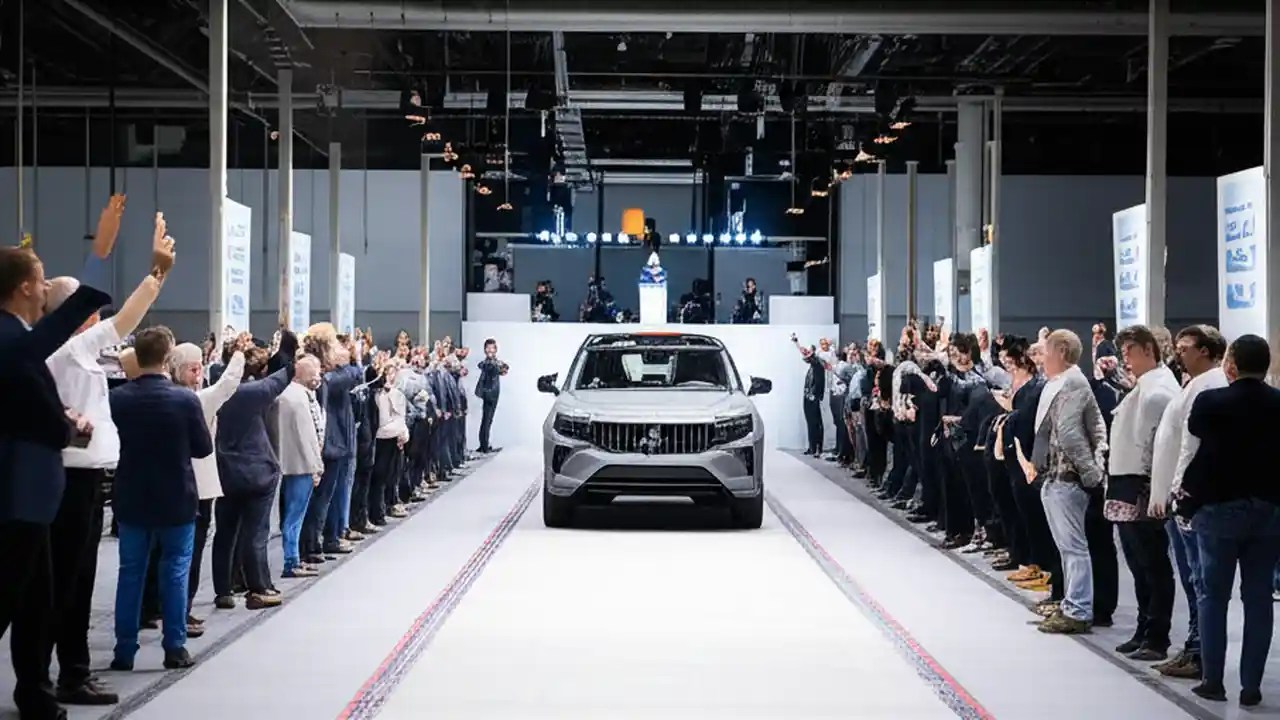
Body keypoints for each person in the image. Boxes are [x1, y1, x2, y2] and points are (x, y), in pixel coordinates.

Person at [39, 212, 173, 706]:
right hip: (71, 481)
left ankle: (70, 670)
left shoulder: (73, 351)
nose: (97, 315)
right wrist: (157, 273)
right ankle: (66, 674)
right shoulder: (68, 347)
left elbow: (134, 347)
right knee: (69, 583)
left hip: (84, 479)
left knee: (77, 580)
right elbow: (126, 322)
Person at [0, 195, 121, 720]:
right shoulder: (11, 338)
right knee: (13, 596)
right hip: (18, 494)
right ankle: (35, 690)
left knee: (35, 600)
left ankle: (35, 691)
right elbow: (67, 320)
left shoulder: (16, 338)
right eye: (43, 276)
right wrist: (100, 253)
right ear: (26, 286)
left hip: (32, 492)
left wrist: (64, 423)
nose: (48, 285)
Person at [1178, 334, 1280, 706]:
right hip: (1268, 510)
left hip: (1218, 509)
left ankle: (1213, 680)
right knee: (1258, 597)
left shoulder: (1211, 402)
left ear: (1231, 364)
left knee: (1213, 596)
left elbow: (1195, 432)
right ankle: (1251, 685)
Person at [108, 326, 211, 672]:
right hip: (176, 496)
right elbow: (203, 448)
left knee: (130, 573)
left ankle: (124, 650)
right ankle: (174, 647)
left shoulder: (118, 399)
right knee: (176, 571)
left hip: (132, 495)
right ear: (168, 358)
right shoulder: (185, 400)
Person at [1017, 329, 1108, 635]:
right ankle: (1071, 603)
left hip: (1068, 479)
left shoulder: (1072, 383)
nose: (1041, 358)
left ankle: (1078, 610)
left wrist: (1091, 474)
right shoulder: (1063, 383)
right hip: (1057, 478)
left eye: (1046, 352)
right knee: (1068, 549)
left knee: (1073, 549)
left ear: (1062, 352)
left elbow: (1070, 434)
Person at [1107, 325, 1180, 661]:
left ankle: (1156, 635)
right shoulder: (1145, 385)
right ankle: (1144, 628)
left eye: (1131, 351)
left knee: (1152, 564)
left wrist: (1156, 491)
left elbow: (1161, 446)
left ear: (1149, 350)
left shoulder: (1159, 390)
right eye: (1123, 352)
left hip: (1142, 484)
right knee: (1138, 565)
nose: (1126, 358)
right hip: (1126, 481)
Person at [164, 339, 245, 630]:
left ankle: (161, 609)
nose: (198, 375)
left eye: (200, 368)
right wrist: (239, 353)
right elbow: (228, 385)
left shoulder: (168, 396)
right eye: (193, 369)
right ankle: (181, 610)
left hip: (175, 484)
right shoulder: (194, 400)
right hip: (195, 486)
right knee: (189, 553)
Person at [211, 342, 295, 610]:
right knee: (256, 533)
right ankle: (259, 586)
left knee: (224, 533)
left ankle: (223, 590)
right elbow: (284, 375)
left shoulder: (216, 391)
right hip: (257, 470)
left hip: (225, 470)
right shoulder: (253, 392)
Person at [274, 354, 325, 579]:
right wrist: (316, 466)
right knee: (295, 516)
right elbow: (308, 437)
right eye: (315, 373)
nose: (318, 377)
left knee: (293, 514)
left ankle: (294, 558)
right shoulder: (298, 399)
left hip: (293, 463)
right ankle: (291, 561)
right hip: (301, 465)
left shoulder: (291, 395)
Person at [792, 334, 827, 456]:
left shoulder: (818, 363)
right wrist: (797, 344)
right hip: (808, 397)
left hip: (814, 397)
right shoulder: (813, 365)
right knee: (810, 422)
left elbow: (807, 355)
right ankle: (812, 447)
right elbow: (805, 355)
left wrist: (798, 344)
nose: (807, 354)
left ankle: (817, 448)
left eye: (810, 351)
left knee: (816, 423)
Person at [475, 339, 508, 454]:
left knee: (487, 420)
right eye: (488, 348)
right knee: (486, 419)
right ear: (485, 349)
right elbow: (485, 366)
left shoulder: (494, 362)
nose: (490, 350)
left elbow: (505, 368)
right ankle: (484, 446)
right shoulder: (488, 363)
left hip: (493, 393)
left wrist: (501, 368)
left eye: (492, 348)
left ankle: (484, 444)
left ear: (495, 350)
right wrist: (499, 367)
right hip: (489, 394)